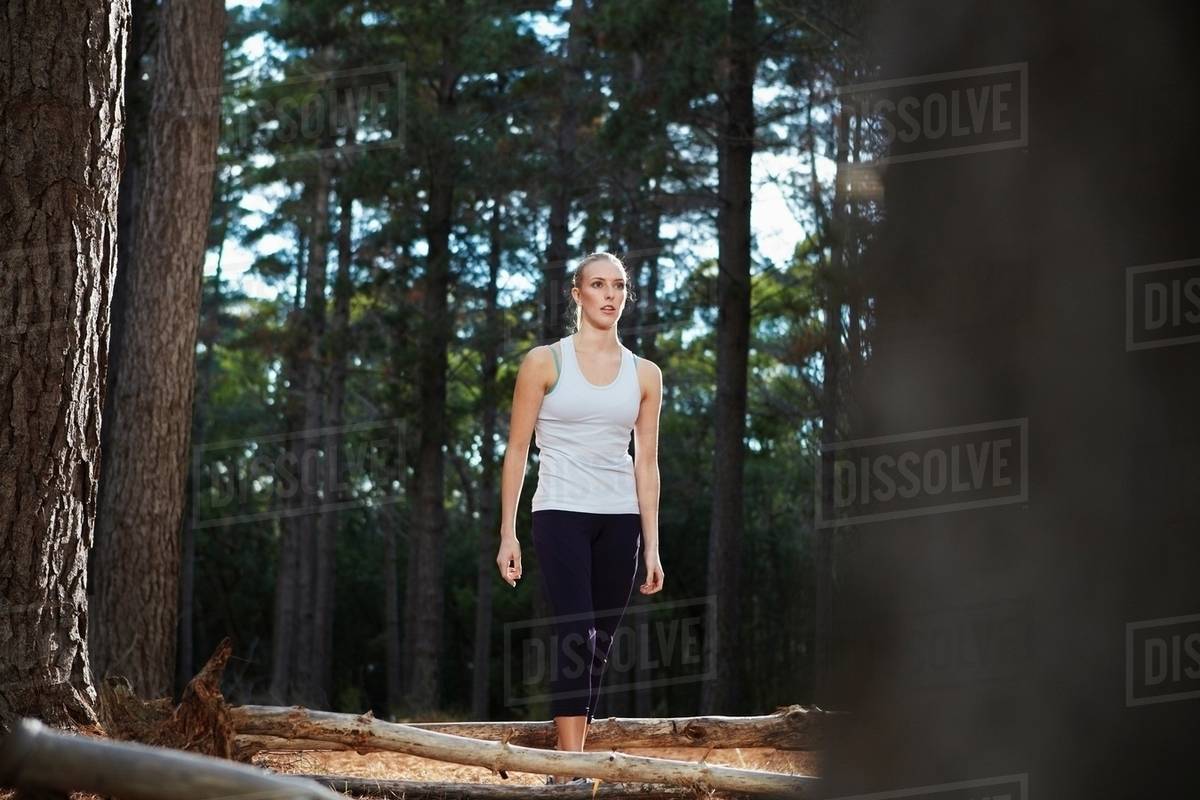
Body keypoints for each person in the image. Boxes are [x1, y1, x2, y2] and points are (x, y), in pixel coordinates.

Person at [496, 251, 665, 785]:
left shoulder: (646, 374)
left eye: (618, 286)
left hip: (620, 520)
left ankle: (571, 763)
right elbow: (517, 450)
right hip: (560, 511)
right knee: (576, 633)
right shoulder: (544, 363)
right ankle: (571, 773)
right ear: (577, 294)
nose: (610, 295)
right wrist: (508, 534)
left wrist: (653, 547)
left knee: (599, 645)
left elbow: (648, 462)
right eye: (598, 284)